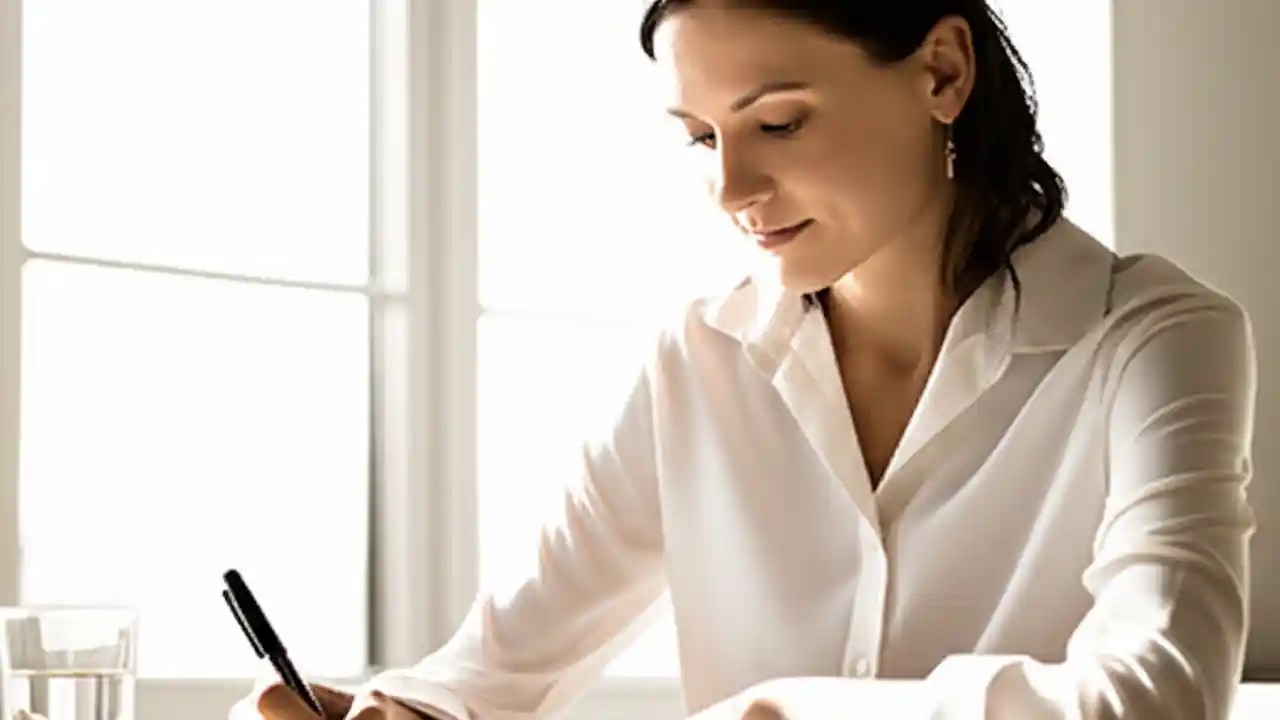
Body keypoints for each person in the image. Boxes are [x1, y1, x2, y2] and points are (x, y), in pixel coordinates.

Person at [235, 1, 1258, 718]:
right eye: (699, 138)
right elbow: (488, 673)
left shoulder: (1155, 340)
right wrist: (394, 710)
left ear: (941, 72)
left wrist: (784, 712)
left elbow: (1154, 699)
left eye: (778, 121)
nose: (730, 188)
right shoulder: (699, 359)